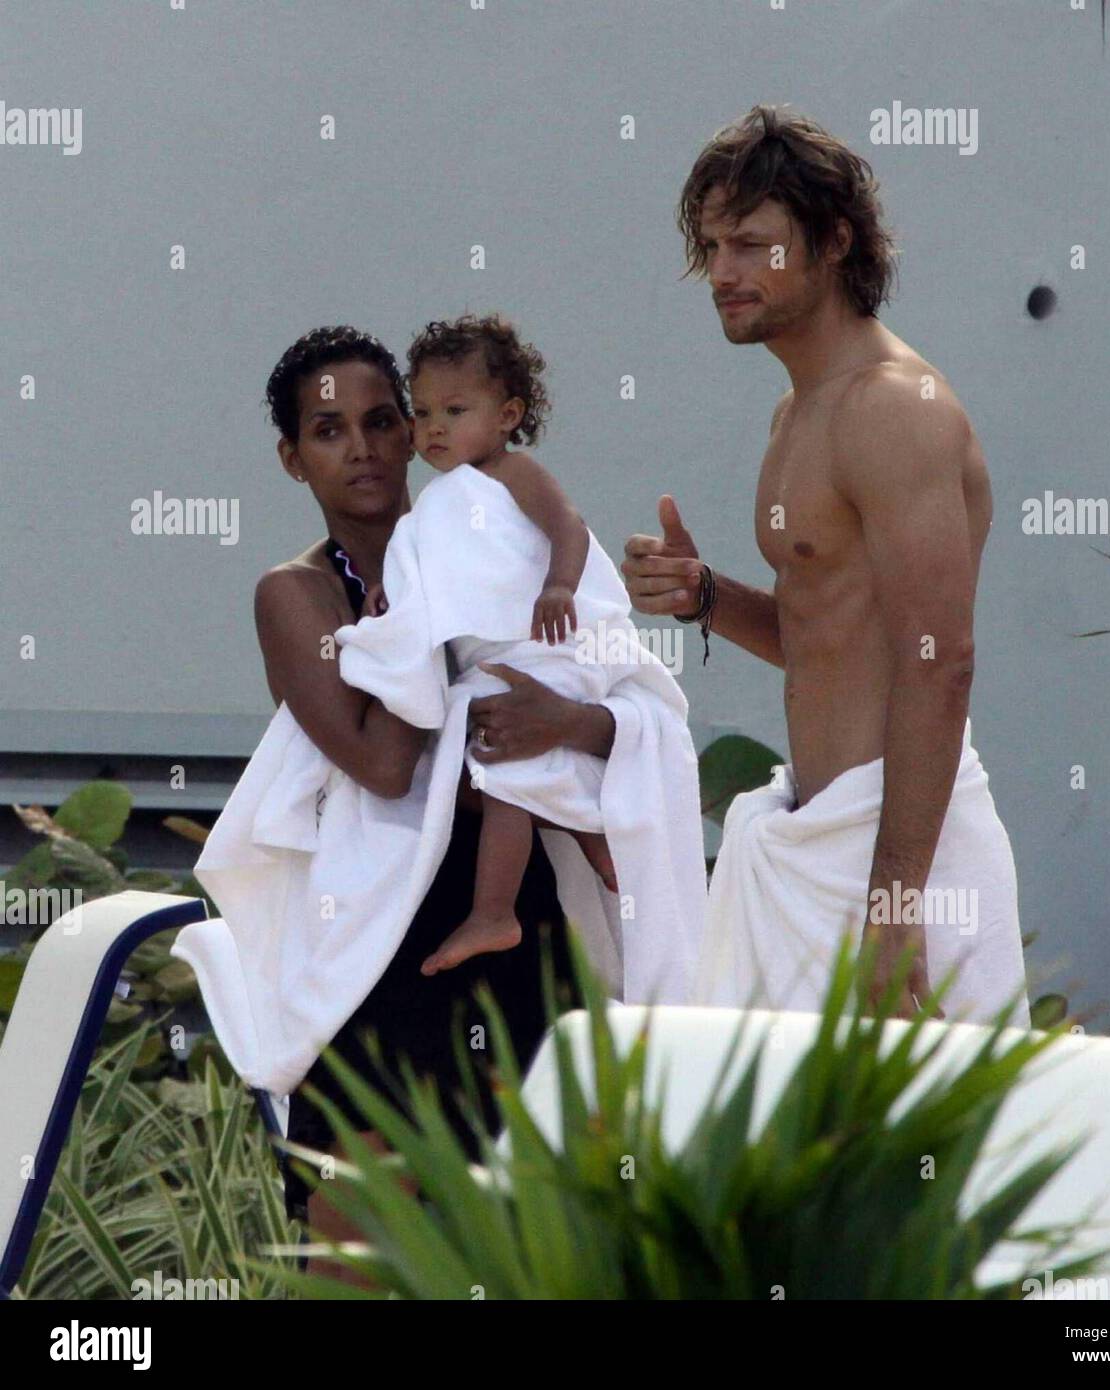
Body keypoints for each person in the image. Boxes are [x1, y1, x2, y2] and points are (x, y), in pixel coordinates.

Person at [621, 104, 1031, 1026]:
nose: (722, 272)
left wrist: (894, 903)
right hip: (816, 838)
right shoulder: (797, 412)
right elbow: (827, 636)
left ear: (835, 239)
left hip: (904, 861)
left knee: (927, 1166)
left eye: (751, 245)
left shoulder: (893, 407)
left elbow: (940, 660)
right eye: (711, 246)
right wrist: (707, 597)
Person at [256, 325, 619, 1285]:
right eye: (329, 430)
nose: (367, 446)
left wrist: (563, 719)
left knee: (542, 1250)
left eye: (384, 420)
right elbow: (380, 765)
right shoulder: (296, 594)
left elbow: (597, 710)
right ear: (293, 459)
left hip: (511, 916)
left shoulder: (492, 542)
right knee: (353, 1255)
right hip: (378, 943)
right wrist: (427, 626)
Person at [358, 313, 629, 977]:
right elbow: (429, 576)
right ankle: (593, 839)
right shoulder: (437, 503)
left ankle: (494, 912)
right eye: (421, 413)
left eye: (455, 410)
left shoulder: (514, 472)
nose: (434, 429)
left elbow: (568, 528)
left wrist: (561, 587)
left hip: (551, 642)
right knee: (499, 755)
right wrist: (390, 603)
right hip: (496, 659)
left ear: (507, 414)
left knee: (503, 766)